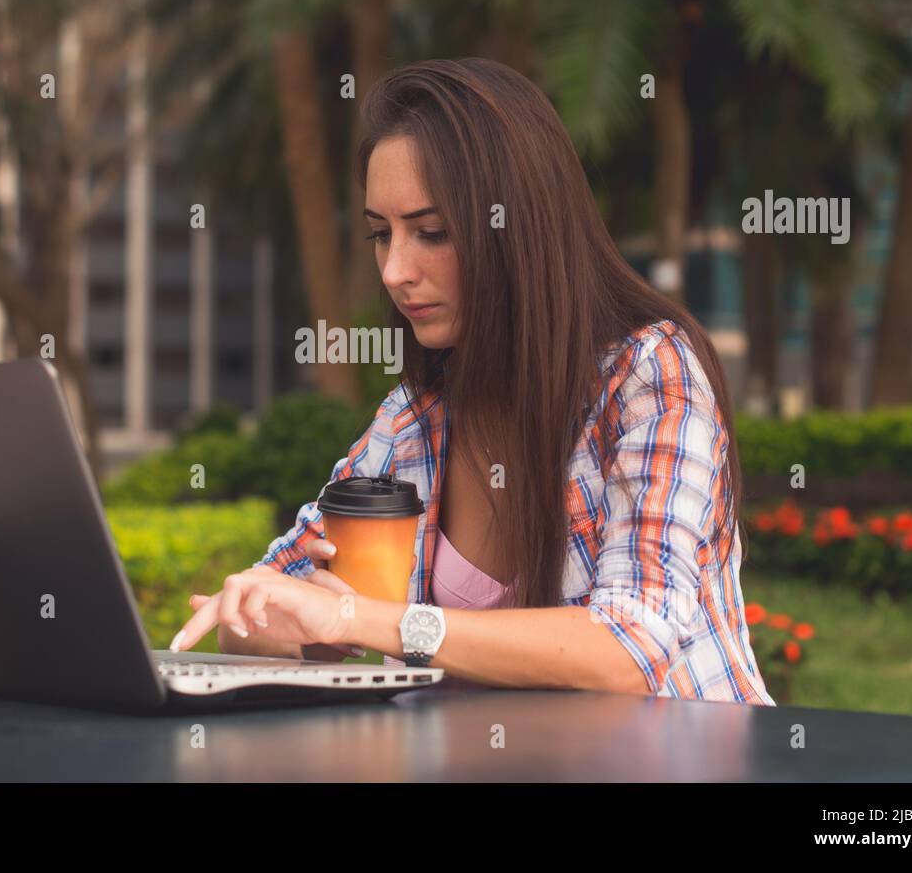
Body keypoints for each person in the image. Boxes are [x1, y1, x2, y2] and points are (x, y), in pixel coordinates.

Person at [171, 57, 774, 705]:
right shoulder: (413, 424)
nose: (395, 270)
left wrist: (359, 619)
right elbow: (262, 606)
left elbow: (630, 646)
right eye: (381, 234)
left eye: (430, 232)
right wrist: (267, 616)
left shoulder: (648, 375)